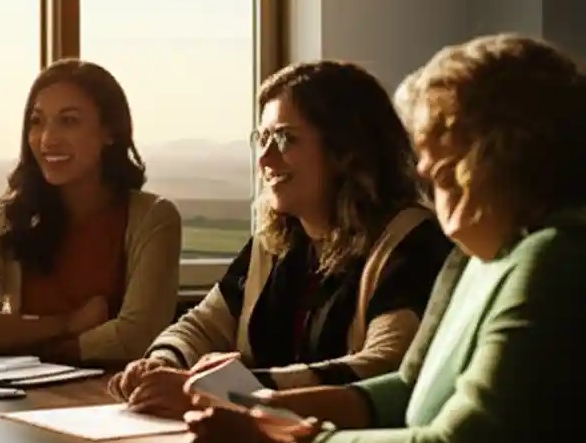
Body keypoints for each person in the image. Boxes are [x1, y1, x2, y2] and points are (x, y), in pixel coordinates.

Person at [183, 34, 586, 443]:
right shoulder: (474, 256)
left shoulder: (555, 258)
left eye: (445, 141)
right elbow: (408, 388)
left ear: (512, 149)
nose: (425, 163)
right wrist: (269, 407)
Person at [110, 61, 454, 416]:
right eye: (262, 138)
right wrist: (160, 362)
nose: (265, 158)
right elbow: (204, 324)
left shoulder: (410, 241)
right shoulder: (275, 241)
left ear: (346, 151)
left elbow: (383, 367)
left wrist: (225, 389)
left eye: (286, 138)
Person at [0, 59, 182, 363]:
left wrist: (31, 345)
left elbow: (135, 338)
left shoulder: (154, 219)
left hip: (113, 401)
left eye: (69, 121)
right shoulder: (4, 222)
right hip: (19, 398)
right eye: (37, 122)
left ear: (109, 132)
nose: (48, 139)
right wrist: (67, 325)